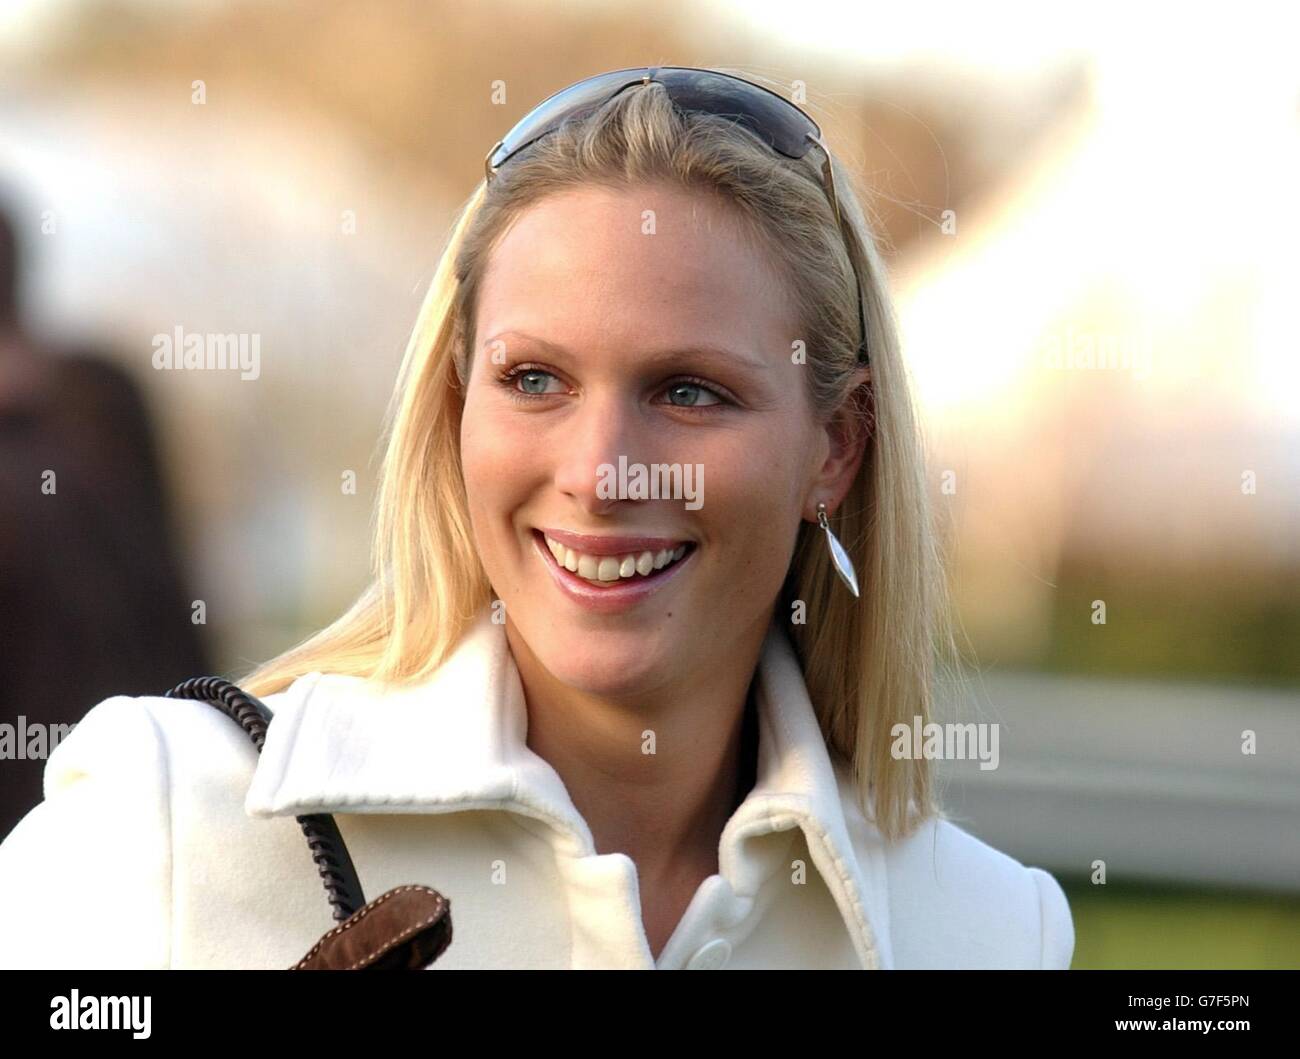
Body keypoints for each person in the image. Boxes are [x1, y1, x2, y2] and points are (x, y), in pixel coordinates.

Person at [0, 67, 1074, 969]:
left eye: (690, 391)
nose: (601, 473)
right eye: (534, 380)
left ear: (835, 448)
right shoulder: (164, 819)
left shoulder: (985, 932)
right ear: (457, 404)